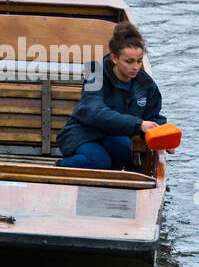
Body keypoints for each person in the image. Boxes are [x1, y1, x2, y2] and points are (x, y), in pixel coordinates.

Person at [56, 21, 165, 169]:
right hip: (83, 134)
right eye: (129, 61)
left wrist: (164, 137)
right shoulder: (95, 75)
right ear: (114, 58)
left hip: (115, 136)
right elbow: (94, 112)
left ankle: (111, 179)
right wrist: (138, 124)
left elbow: (153, 116)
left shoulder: (147, 85)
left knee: (122, 145)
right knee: (99, 161)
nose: (135, 67)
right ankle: (60, 166)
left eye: (139, 61)